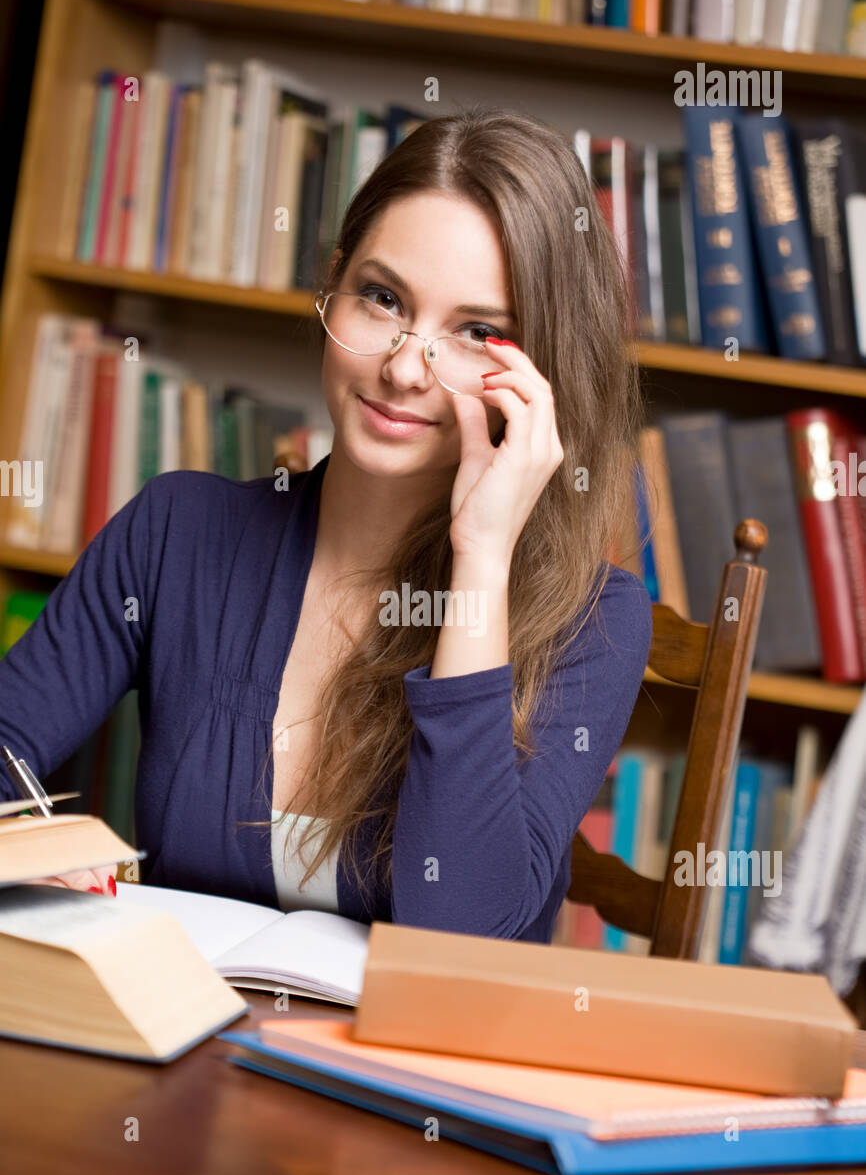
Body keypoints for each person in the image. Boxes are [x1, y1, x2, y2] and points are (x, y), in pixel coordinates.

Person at [0, 105, 651, 942]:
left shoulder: (592, 622)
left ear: (541, 376)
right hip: (188, 1047)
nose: (404, 366)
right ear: (334, 288)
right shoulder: (176, 532)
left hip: (407, 1071)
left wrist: (481, 561)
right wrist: (26, 843)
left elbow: (461, 937)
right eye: (383, 299)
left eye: (478, 331)